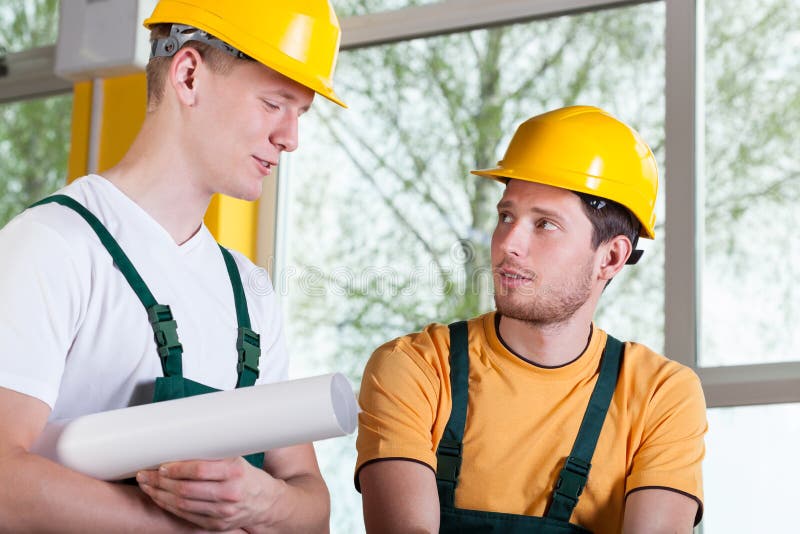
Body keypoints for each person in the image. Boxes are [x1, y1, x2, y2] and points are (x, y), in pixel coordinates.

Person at [0, 1, 345, 531]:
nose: (291, 138)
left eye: (300, 114)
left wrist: (258, 503)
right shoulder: (52, 246)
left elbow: (311, 505)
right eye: (275, 103)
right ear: (188, 76)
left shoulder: (248, 292)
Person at [355, 106, 707, 533]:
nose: (508, 243)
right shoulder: (417, 367)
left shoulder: (659, 396)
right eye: (507, 216)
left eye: (544, 224)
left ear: (611, 257)